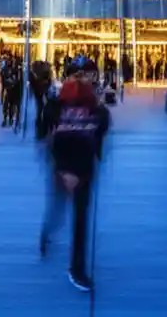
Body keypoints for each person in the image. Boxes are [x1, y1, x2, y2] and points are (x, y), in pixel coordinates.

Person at [39, 57, 110, 293]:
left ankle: (76, 268)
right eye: (78, 74)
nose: (83, 78)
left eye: (87, 74)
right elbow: (50, 134)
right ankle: (47, 232)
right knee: (58, 206)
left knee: (80, 218)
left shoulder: (94, 103)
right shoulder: (58, 102)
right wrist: (62, 168)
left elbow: (100, 130)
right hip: (63, 165)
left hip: (84, 167)